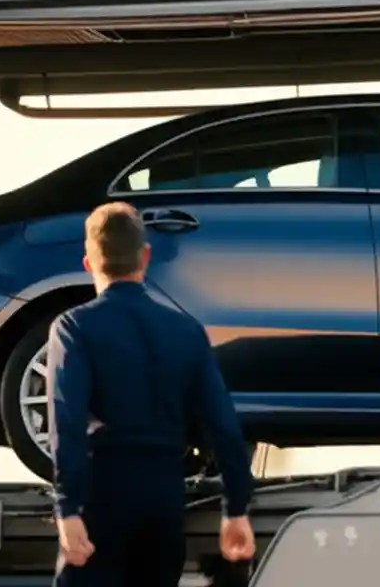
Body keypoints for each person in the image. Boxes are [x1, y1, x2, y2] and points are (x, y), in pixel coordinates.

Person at [46, 201, 256, 585]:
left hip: (103, 498)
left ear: (89, 263)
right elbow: (224, 426)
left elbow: (68, 422)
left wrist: (68, 508)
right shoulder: (186, 330)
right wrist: (236, 509)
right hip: (164, 501)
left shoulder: (74, 327)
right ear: (145, 256)